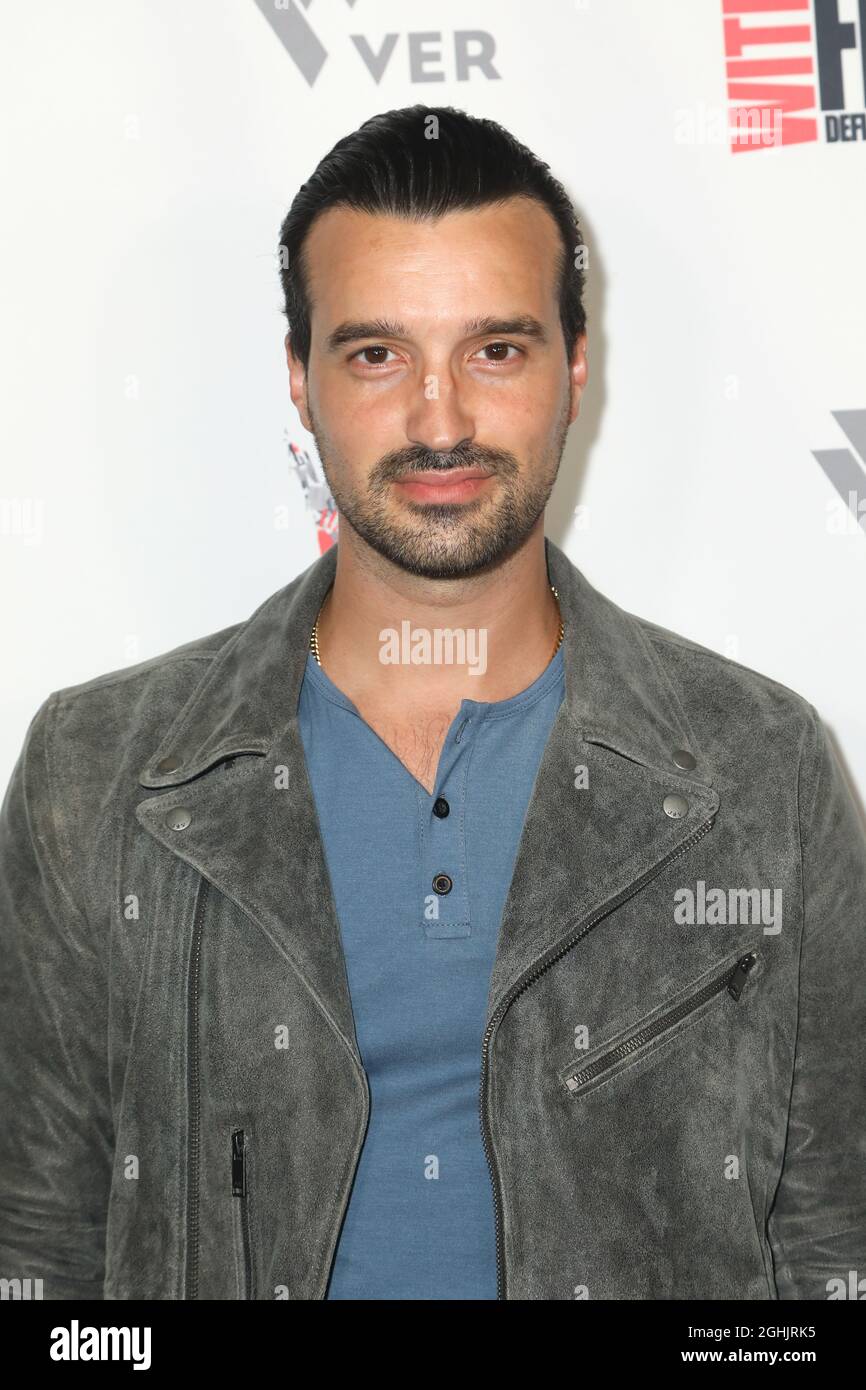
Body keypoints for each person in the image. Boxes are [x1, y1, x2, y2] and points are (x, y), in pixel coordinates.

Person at [1, 105, 864, 1301]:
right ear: (299, 383)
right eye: (377, 355)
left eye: (494, 350)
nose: (440, 418)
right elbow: (37, 1253)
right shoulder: (93, 774)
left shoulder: (759, 767)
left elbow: (830, 1243)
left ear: (575, 365)